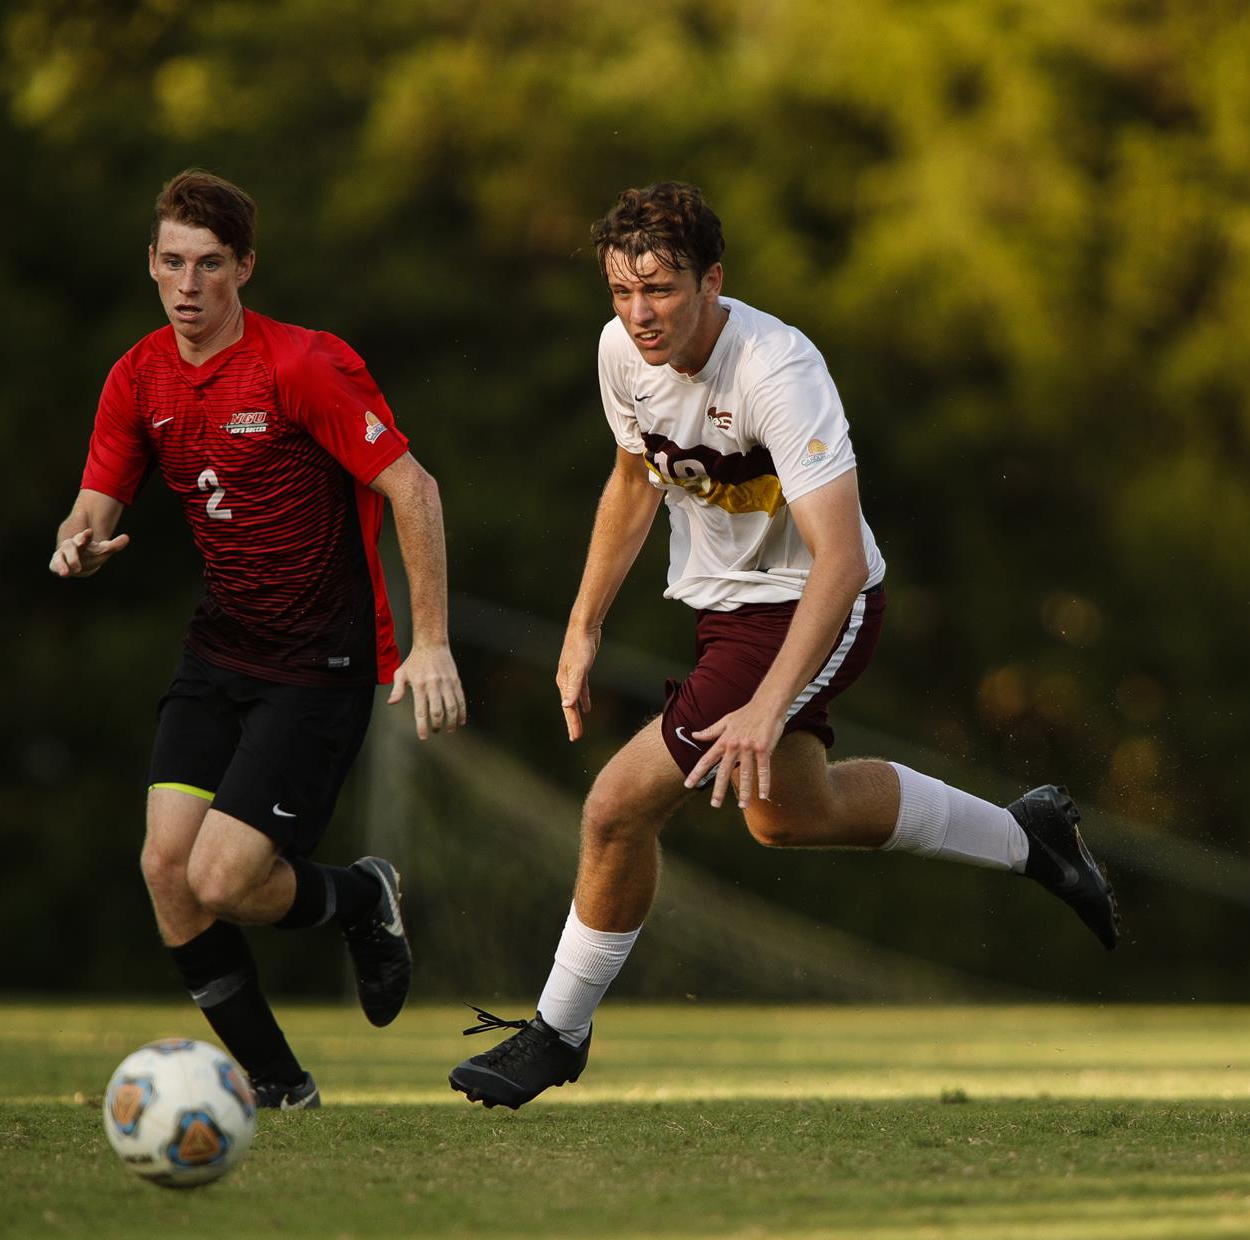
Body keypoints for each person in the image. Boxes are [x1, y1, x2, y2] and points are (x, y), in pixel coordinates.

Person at [449, 182, 1119, 1109]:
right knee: (789, 817)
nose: (640, 315)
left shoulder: (777, 368)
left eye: (663, 291)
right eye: (622, 292)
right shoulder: (620, 353)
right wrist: (583, 622)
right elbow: (635, 480)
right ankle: (1029, 837)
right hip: (728, 614)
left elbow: (841, 561)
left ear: (712, 280)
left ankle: (556, 1034)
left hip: (815, 603)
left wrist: (766, 705)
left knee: (614, 808)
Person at [49, 170, 466, 1109]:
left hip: (318, 663)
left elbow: (415, 489)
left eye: (207, 264)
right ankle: (279, 1085)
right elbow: (95, 501)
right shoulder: (138, 375)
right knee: (168, 868)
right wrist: (78, 542)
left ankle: (363, 897)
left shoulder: (303, 366)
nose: (187, 285)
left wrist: (430, 642)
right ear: (150, 265)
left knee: (226, 876)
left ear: (244, 267)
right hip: (218, 649)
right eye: (170, 263)